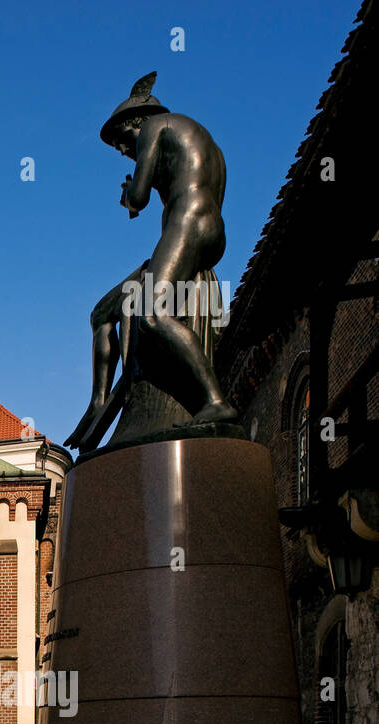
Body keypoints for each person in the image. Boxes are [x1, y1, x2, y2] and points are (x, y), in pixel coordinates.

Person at [66, 73, 237, 451]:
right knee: (102, 313)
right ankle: (98, 402)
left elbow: (140, 197)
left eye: (123, 143)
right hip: (210, 231)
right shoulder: (202, 142)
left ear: (135, 123)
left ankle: (215, 401)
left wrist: (128, 194)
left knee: (155, 314)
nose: (127, 151)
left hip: (187, 223)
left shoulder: (154, 128)